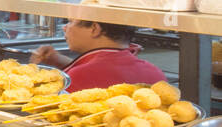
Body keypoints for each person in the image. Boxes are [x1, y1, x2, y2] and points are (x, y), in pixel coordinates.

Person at [30, 19, 165, 93]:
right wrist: (60, 61)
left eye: (71, 22)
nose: (65, 27)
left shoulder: (77, 77)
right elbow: (105, 68)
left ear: (95, 29)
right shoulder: (154, 71)